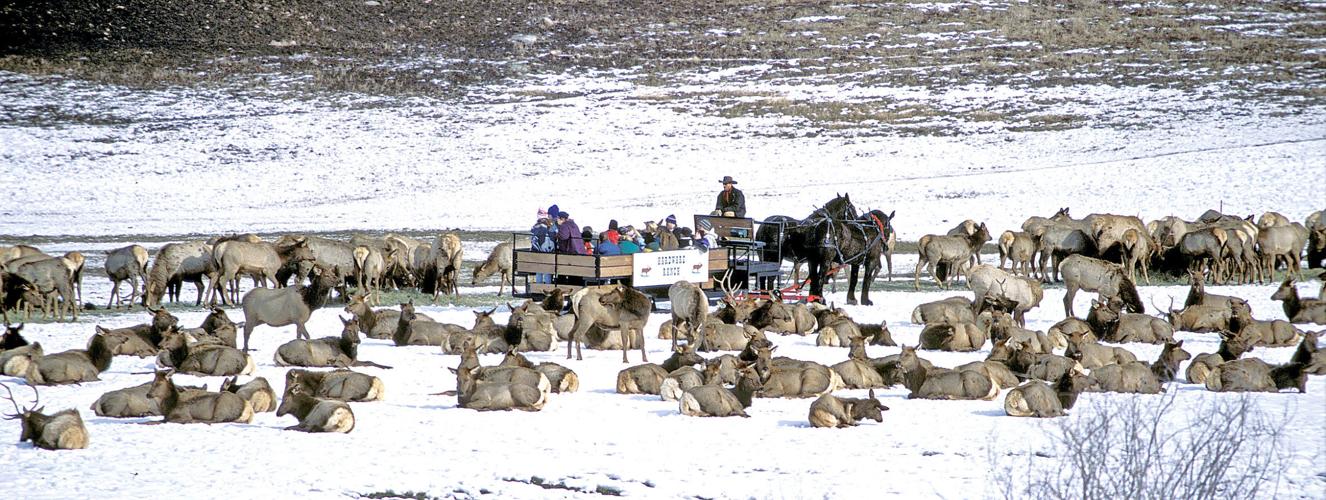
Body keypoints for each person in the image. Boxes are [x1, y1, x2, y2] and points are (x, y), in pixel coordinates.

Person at [530, 208, 556, 283]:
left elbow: (533, 241)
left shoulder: (536, 227)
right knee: (547, 272)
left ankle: (539, 288)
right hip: (550, 253)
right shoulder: (551, 226)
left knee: (539, 271)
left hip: (538, 253)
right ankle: (548, 287)